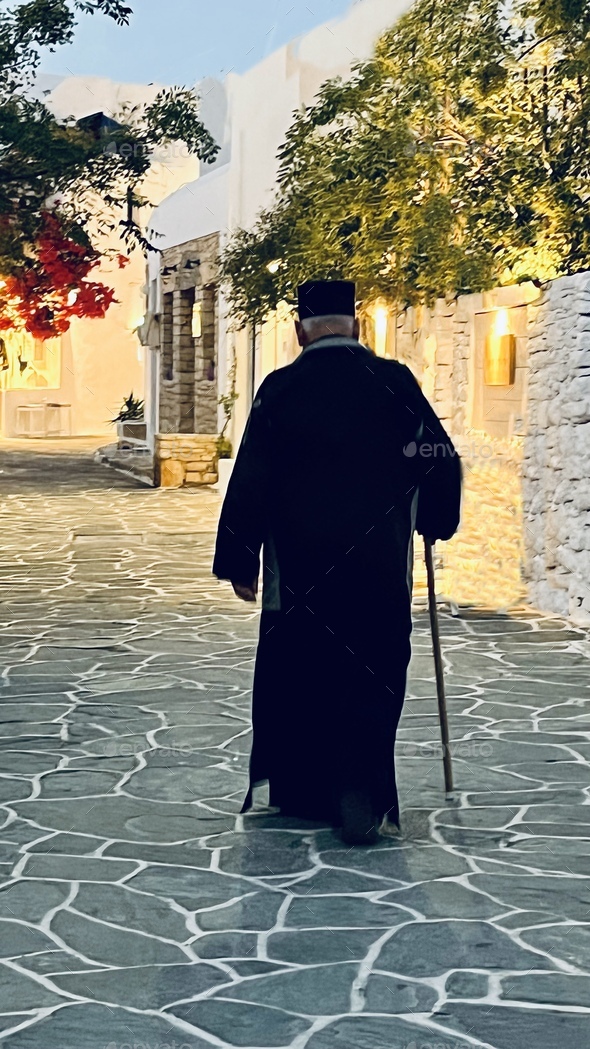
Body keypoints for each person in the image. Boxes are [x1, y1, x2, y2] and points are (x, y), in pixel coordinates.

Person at [213, 280, 462, 844]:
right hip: (377, 567)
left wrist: (239, 559)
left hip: (299, 572)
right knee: (372, 670)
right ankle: (362, 789)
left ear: (300, 330)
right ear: (357, 327)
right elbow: (437, 455)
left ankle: (305, 792)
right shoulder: (394, 383)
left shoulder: (280, 389)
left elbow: (252, 475)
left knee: (301, 672)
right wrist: (435, 519)